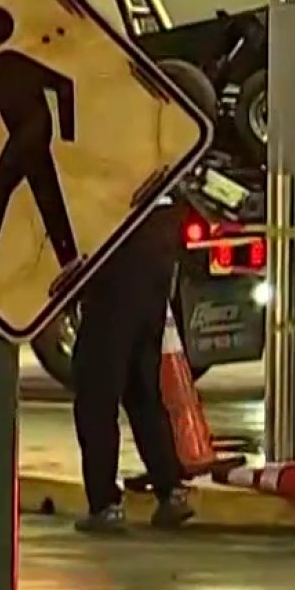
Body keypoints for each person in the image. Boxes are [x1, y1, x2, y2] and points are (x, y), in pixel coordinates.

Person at [71, 61, 222, 535]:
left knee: (97, 395)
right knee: (143, 393)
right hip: (151, 292)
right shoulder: (168, 164)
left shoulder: (117, 160)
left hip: (112, 290)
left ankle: (105, 505)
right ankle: (169, 490)